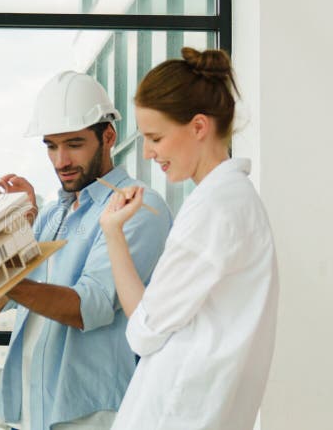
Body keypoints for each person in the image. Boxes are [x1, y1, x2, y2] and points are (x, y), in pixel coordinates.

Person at [99, 48, 279, 429]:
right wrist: (113, 233)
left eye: (155, 137)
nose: (148, 152)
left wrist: (114, 236)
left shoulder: (214, 209)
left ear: (199, 126)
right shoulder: (229, 201)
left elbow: (144, 333)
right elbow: (148, 320)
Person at [0, 71, 173, 430]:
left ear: (108, 137)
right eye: (51, 146)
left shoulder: (136, 207)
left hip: (90, 417)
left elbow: (91, 306)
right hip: (26, 415)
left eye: (73, 144)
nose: (61, 162)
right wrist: (17, 229)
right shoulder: (53, 213)